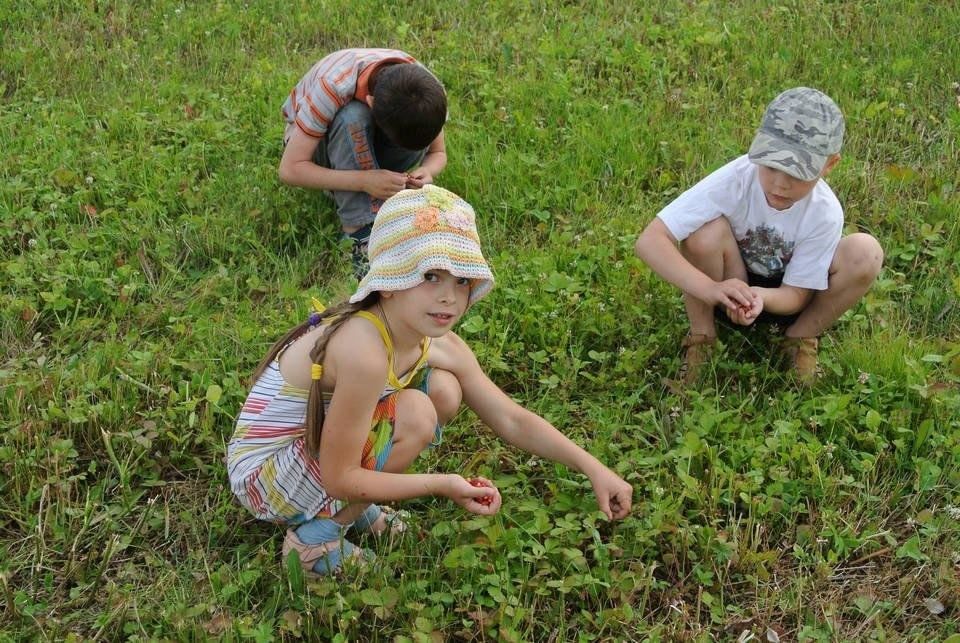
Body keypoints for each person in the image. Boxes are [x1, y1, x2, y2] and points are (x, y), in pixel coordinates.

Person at [228, 185, 633, 576]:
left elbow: (510, 419)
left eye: (462, 280)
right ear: (388, 283)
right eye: (431, 276)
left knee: (443, 389)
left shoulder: (435, 343)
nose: (450, 297)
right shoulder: (364, 351)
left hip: (317, 444)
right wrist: (441, 484)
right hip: (267, 477)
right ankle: (315, 540)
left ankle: (353, 506)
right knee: (418, 412)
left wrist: (593, 467)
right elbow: (338, 476)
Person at [634, 87, 884, 385]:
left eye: (797, 173)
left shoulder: (824, 211)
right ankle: (703, 336)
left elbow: (797, 294)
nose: (780, 183)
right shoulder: (736, 177)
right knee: (702, 233)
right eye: (770, 164)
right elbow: (650, 240)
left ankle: (799, 338)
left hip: (786, 299)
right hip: (726, 283)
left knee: (865, 252)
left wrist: (758, 298)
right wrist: (712, 288)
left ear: (829, 164)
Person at [278, 48, 448, 278]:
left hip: (381, 131)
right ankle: (359, 233)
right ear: (370, 101)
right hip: (316, 145)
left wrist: (428, 170)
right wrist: (363, 180)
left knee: (378, 126)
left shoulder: (427, 92)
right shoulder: (331, 87)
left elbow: (438, 153)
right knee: (352, 118)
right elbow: (290, 169)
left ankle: (379, 204)